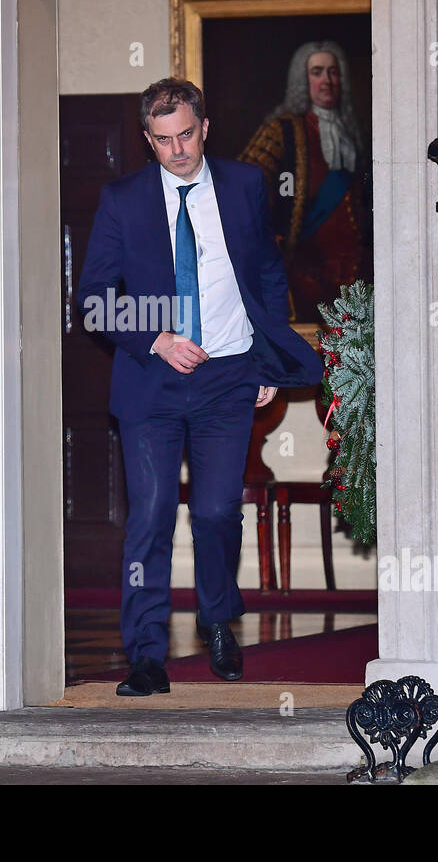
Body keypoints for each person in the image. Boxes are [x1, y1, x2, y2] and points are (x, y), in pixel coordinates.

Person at [77, 77, 323, 696]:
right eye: (162, 140)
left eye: (186, 134)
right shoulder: (122, 199)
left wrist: (267, 362)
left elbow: (268, 275)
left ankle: (218, 620)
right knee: (152, 518)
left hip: (228, 376)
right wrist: (154, 337)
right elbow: (93, 300)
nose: (177, 150)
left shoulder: (244, 187)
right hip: (151, 382)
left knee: (216, 513)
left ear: (205, 127)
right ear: (147, 140)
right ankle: (145, 655)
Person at [239, 41, 372, 322]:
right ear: (303, 79)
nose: (326, 81)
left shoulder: (354, 131)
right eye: (317, 72)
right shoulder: (282, 130)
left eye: (333, 72)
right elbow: (243, 185)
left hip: (353, 273)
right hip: (302, 270)